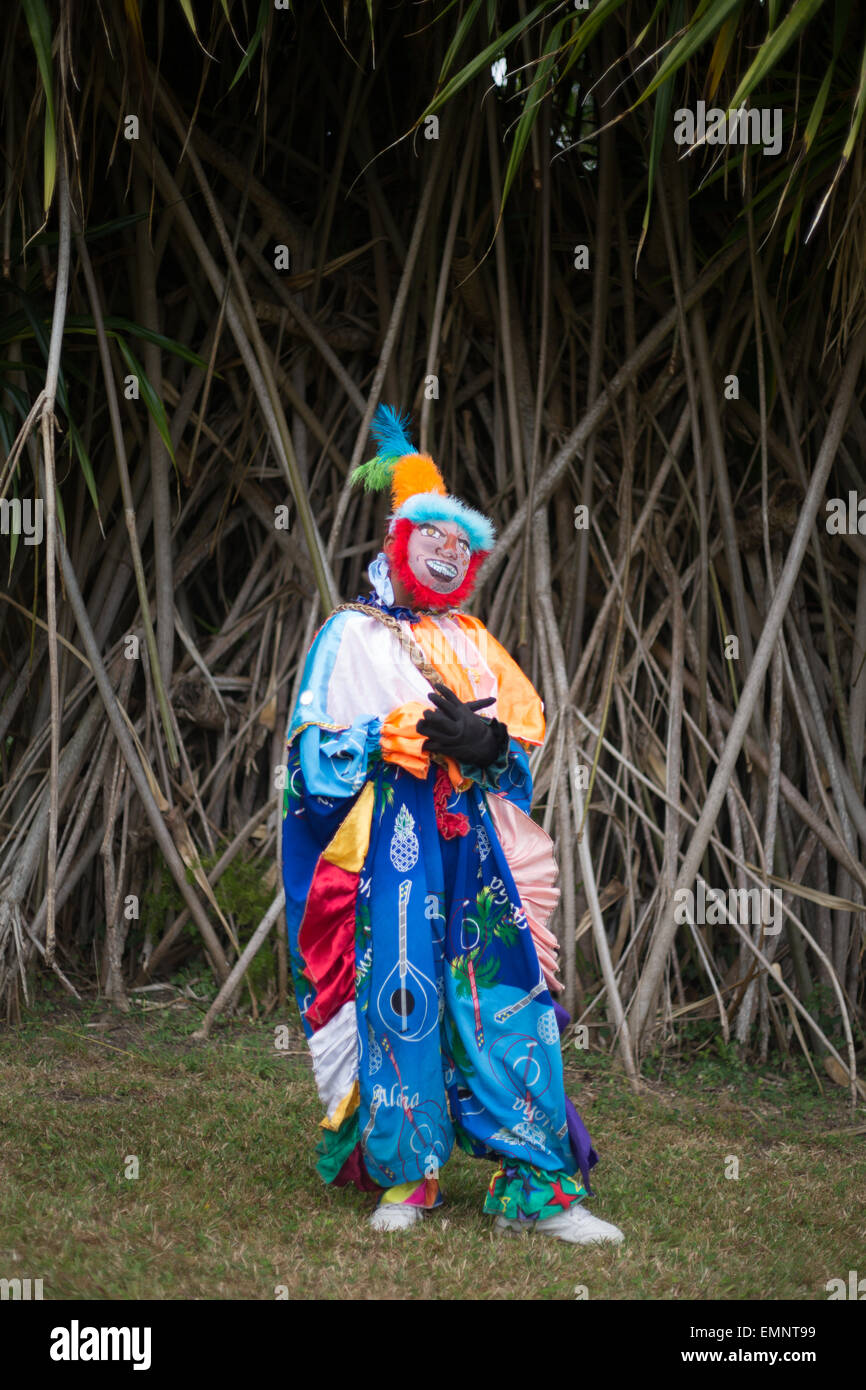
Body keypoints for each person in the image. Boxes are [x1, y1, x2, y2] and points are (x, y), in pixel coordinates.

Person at [280, 405, 623, 1244]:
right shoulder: (348, 637)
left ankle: (538, 1186)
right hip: (390, 855)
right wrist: (377, 740)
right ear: (400, 541)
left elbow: (521, 758)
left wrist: (486, 741)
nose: (448, 552)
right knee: (401, 993)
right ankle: (410, 1175)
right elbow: (306, 766)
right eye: (433, 536)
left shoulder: (474, 637)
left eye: (462, 544)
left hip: (475, 847)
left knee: (506, 994)